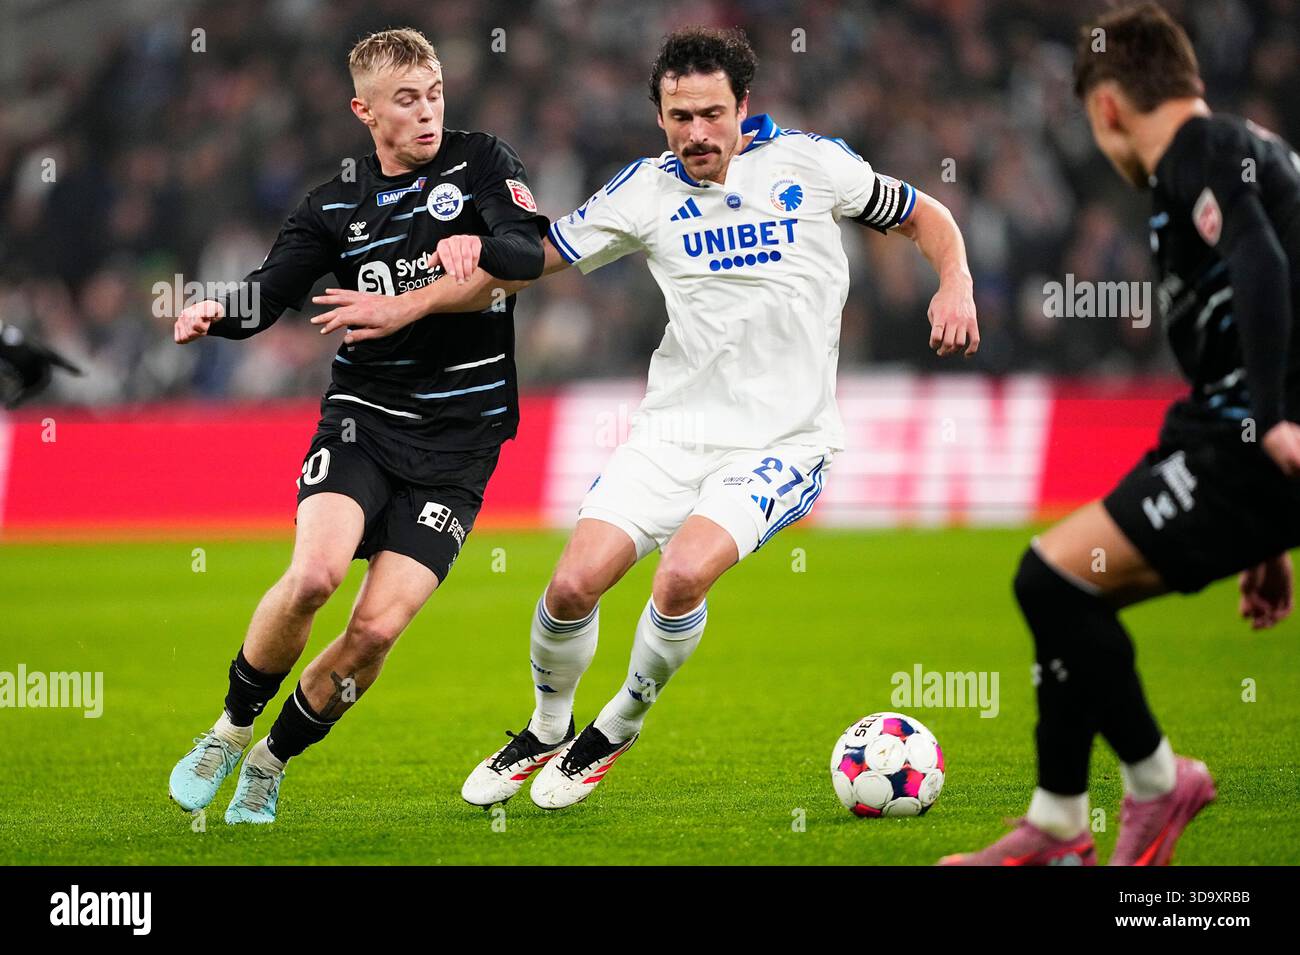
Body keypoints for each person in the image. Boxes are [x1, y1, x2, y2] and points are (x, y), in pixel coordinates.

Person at [311, 26, 979, 810]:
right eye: (678, 116)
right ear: (660, 117)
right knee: (569, 586)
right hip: (671, 432)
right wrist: (413, 301)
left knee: (683, 572)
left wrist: (955, 280)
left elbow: (922, 213)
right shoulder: (643, 191)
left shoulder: (813, 164)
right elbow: (530, 265)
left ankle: (617, 724)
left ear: (743, 109)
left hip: (785, 441)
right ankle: (547, 726)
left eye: (710, 114)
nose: (696, 132)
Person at [943, 2, 1300, 866]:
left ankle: (1150, 782)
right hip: (1233, 438)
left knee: (1051, 582)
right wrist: (1268, 524)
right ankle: (1059, 818)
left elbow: (1260, 262)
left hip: (1243, 433)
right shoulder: (1247, 152)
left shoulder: (1200, 151)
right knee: (1071, 591)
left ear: (1107, 107)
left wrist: (1276, 419)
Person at [166, 27, 547, 824]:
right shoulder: (335, 204)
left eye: (435, 94)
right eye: (406, 101)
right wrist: (215, 310)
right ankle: (230, 729)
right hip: (363, 423)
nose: (427, 113)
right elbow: (270, 292)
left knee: (374, 630)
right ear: (365, 111)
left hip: (461, 444)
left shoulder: (482, 162)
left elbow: (528, 248)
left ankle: (272, 761)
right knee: (314, 578)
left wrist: (485, 245)